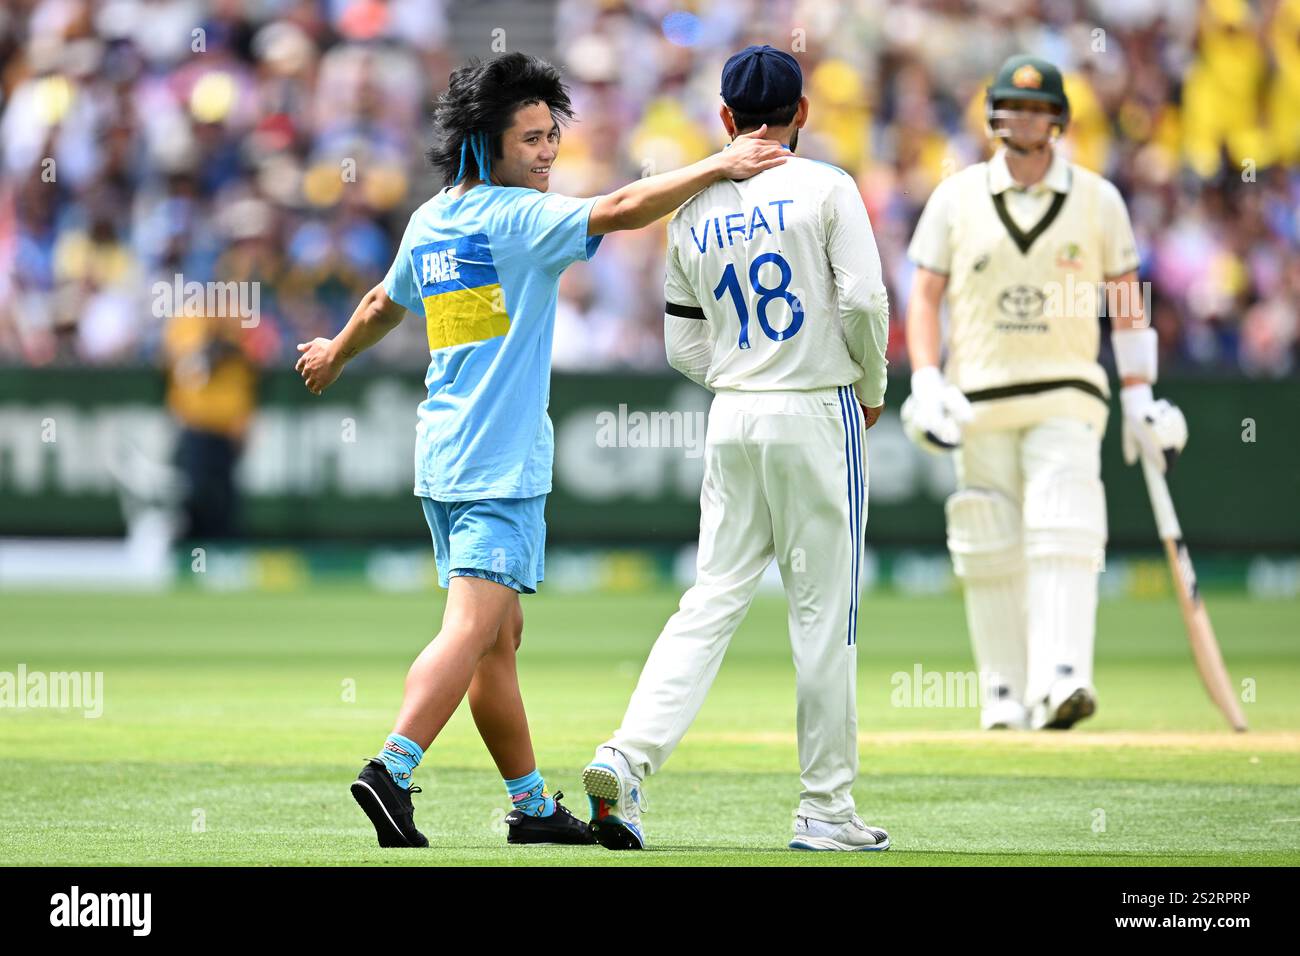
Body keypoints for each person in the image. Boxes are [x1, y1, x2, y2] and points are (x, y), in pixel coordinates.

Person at [294, 52, 786, 848]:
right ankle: (392, 769)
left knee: (498, 637)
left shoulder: (432, 221)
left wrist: (336, 353)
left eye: (553, 136)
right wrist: (721, 163)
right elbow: (625, 205)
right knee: (470, 628)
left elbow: (385, 301)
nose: (550, 153)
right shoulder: (517, 219)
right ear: (486, 145)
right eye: (532, 140)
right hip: (499, 461)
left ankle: (529, 807)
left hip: (444, 454)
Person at [581, 45, 892, 852]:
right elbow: (862, 297)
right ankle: (825, 810)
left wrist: (738, 372)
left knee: (711, 599)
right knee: (825, 619)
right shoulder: (828, 187)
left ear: (724, 119)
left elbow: (685, 349)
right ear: (803, 113)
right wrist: (872, 386)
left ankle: (628, 754)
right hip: (816, 408)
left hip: (733, 414)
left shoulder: (694, 207)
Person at [900, 54, 1188, 731]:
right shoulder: (956, 195)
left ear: (1058, 120)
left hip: (1067, 391)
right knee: (985, 537)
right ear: (994, 116)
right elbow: (924, 296)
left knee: (1064, 523)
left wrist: (1141, 393)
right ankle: (1004, 691)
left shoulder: (1098, 198)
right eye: (1012, 107)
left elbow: (1127, 303)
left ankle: (1062, 679)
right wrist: (926, 376)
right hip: (980, 396)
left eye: (1037, 108)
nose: (1024, 118)